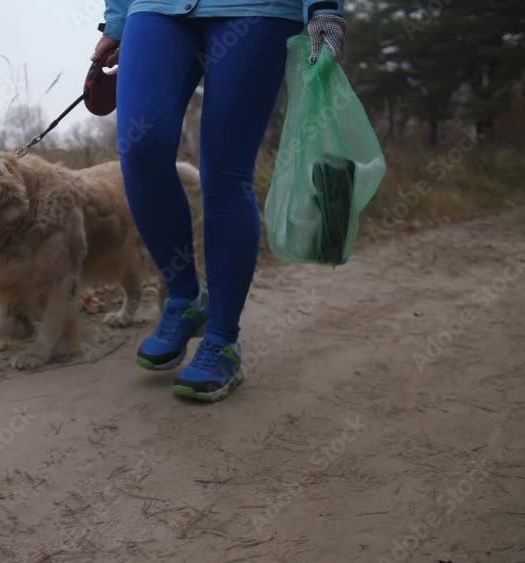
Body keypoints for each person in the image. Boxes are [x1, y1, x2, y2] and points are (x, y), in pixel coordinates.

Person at [92, 0, 347, 401]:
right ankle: (185, 297)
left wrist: (325, 6)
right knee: (141, 149)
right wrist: (119, 19)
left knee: (226, 172)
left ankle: (223, 339)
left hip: (258, 9)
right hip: (156, 8)